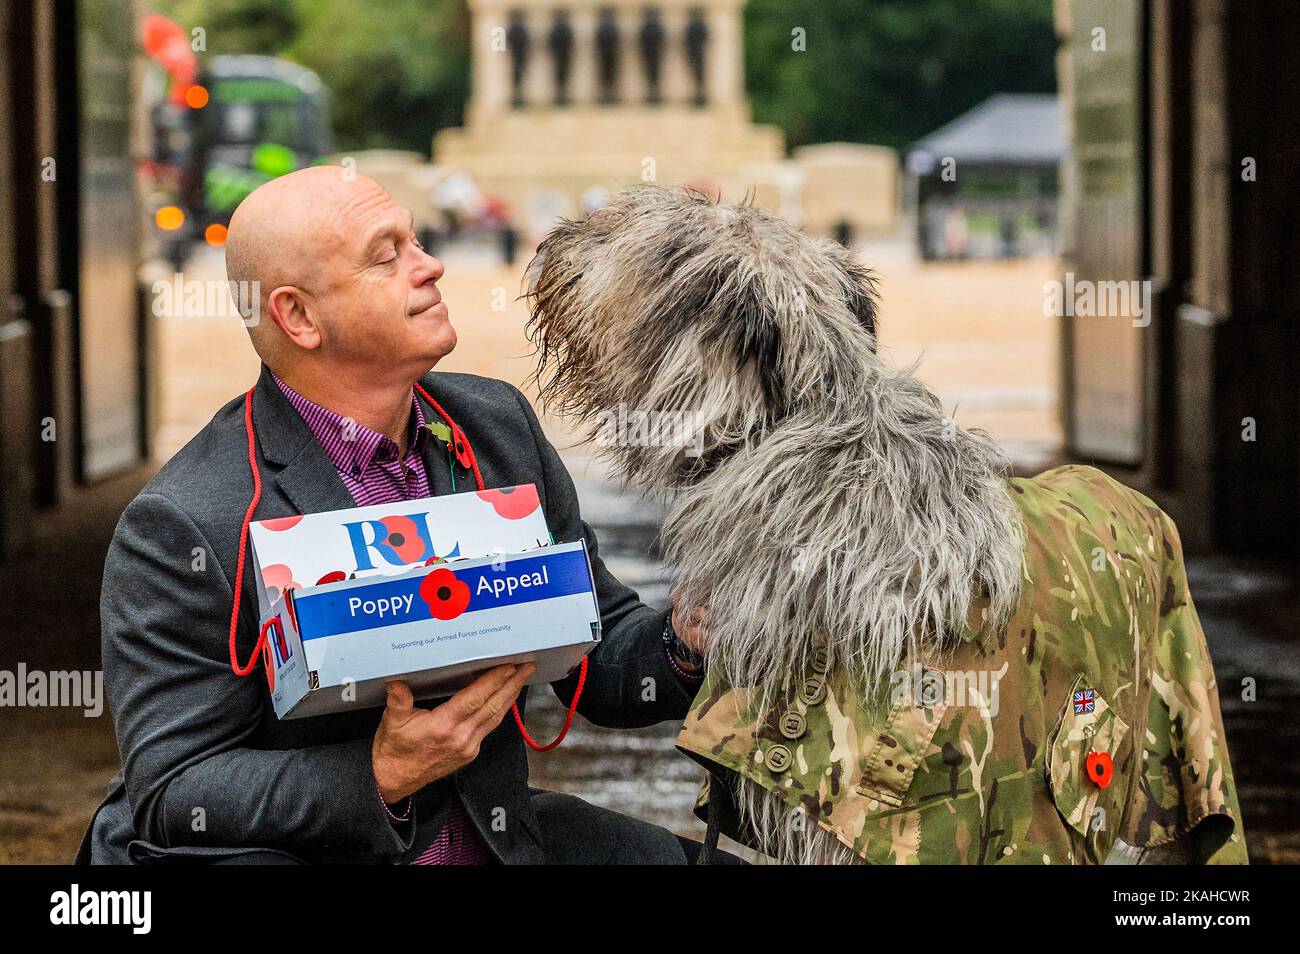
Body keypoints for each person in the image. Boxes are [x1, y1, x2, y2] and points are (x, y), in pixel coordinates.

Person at [77, 166, 727, 865]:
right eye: (387, 257)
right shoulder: (185, 521)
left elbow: (595, 653)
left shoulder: (495, 427)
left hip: (493, 838)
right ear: (298, 316)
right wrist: (382, 773)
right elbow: (174, 792)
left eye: (416, 242)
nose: (432, 266)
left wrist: (684, 641)